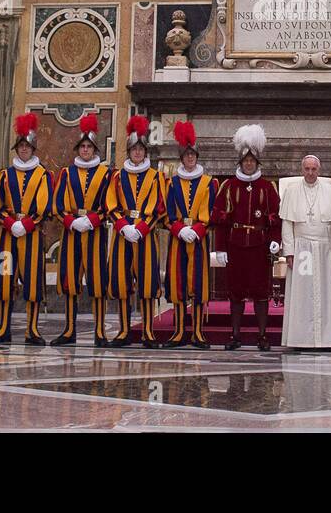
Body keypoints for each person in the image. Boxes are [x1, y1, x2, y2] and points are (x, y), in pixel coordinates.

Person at [213, 124, 281, 351]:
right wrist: (220, 248)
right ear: (240, 163)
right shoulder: (228, 186)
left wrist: (275, 239)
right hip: (235, 246)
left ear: (257, 163)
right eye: (245, 161)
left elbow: (276, 216)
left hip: (260, 247)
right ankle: (235, 335)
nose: (249, 164)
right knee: (236, 292)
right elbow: (220, 219)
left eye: (252, 161)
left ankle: (262, 336)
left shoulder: (267, 186)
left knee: (261, 292)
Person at [0, 113, 51, 345]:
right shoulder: (4, 174)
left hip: (31, 236)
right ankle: (3, 328)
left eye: (27, 146)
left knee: (32, 281)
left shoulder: (43, 175)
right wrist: (9, 222)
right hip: (7, 237)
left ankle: (32, 329)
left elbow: (44, 207)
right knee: (5, 280)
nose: (23, 149)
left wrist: (26, 224)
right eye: (20, 146)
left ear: (33, 148)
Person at [51, 114, 113, 347]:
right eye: (82, 146)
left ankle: (100, 332)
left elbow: (110, 205)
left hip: (95, 234)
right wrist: (70, 221)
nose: (85, 150)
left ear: (95, 149)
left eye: (89, 146)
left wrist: (94, 220)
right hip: (72, 234)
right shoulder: (66, 174)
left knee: (97, 283)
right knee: (70, 283)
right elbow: (57, 205)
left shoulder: (106, 174)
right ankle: (69, 330)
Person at [107, 115, 167, 347]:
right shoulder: (117, 176)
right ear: (129, 152)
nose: (138, 153)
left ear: (145, 152)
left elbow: (159, 207)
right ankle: (123, 331)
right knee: (123, 283)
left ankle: (148, 332)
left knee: (148, 284)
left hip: (146, 236)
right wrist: (124, 227)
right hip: (123, 238)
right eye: (134, 149)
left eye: (141, 149)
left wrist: (141, 228)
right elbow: (111, 205)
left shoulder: (155, 177)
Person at [163, 122, 217, 348]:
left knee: (198, 284)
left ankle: (197, 332)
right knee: (178, 284)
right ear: (181, 158)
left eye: (193, 154)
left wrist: (197, 230)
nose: (190, 158)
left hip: (199, 239)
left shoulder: (208, 183)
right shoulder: (172, 183)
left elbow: (212, 213)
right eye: (186, 155)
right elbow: (165, 213)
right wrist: (178, 229)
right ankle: (178, 332)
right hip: (178, 240)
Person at [279, 155, 331, 350]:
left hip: (325, 249)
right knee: (303, 292)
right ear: (302, 170)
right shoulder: (292, 191)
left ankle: (326, 339)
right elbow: (287, 224)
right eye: (307, 169)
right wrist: (289, 251)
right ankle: (300, 338)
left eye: (314, 169)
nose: (310, 172)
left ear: (319, 170)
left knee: (325, 292)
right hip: (302, 251)